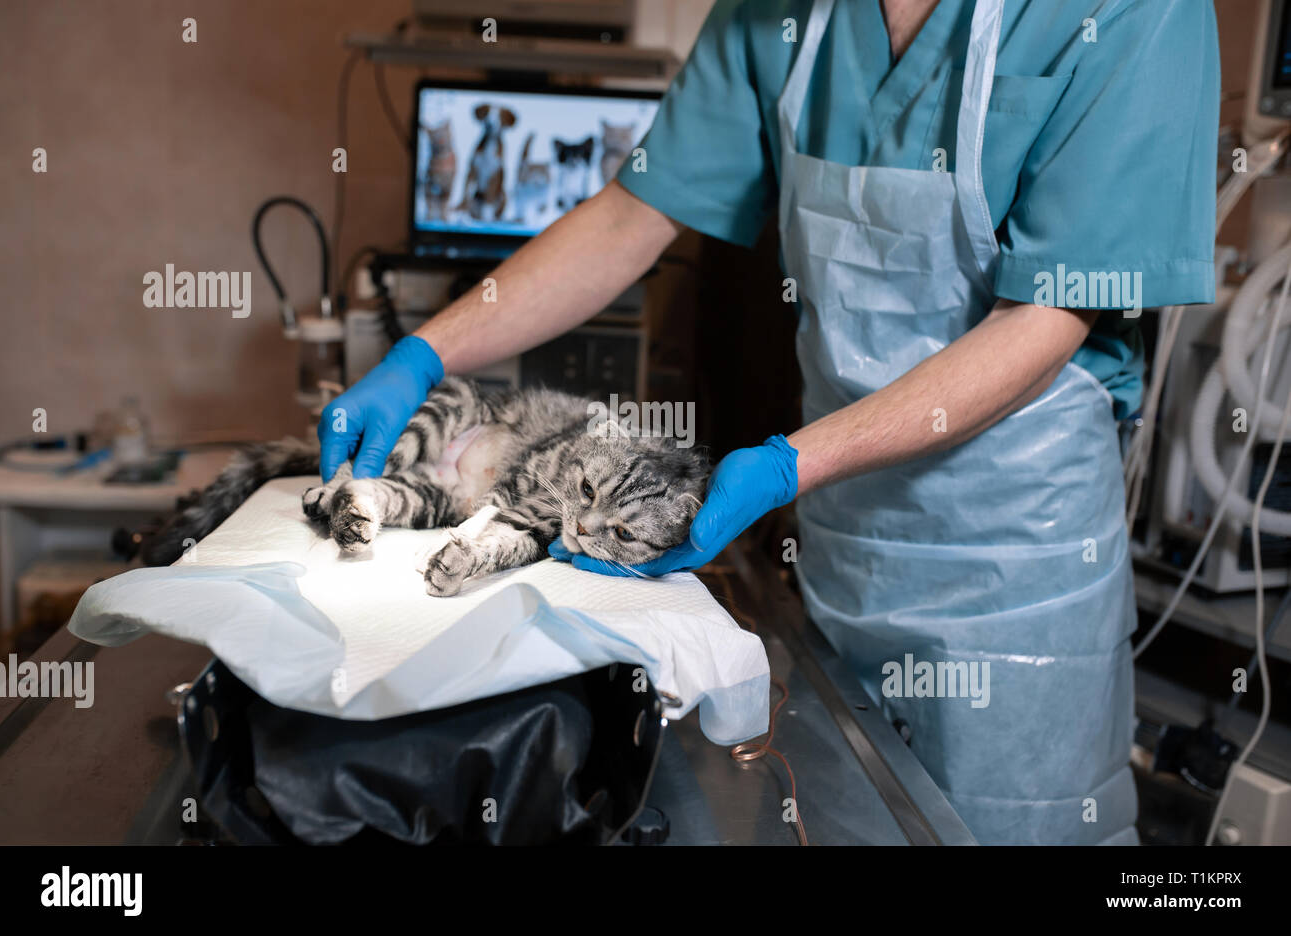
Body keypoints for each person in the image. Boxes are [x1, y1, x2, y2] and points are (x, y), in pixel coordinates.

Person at [319, 0, 1218, 844]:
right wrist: (426, 354)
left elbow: (1045, 320)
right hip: (843, 538)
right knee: (846, 809)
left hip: (1020, 565)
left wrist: (790, 464)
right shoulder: (776, 14)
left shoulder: (1134, 14)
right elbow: (634, 215)